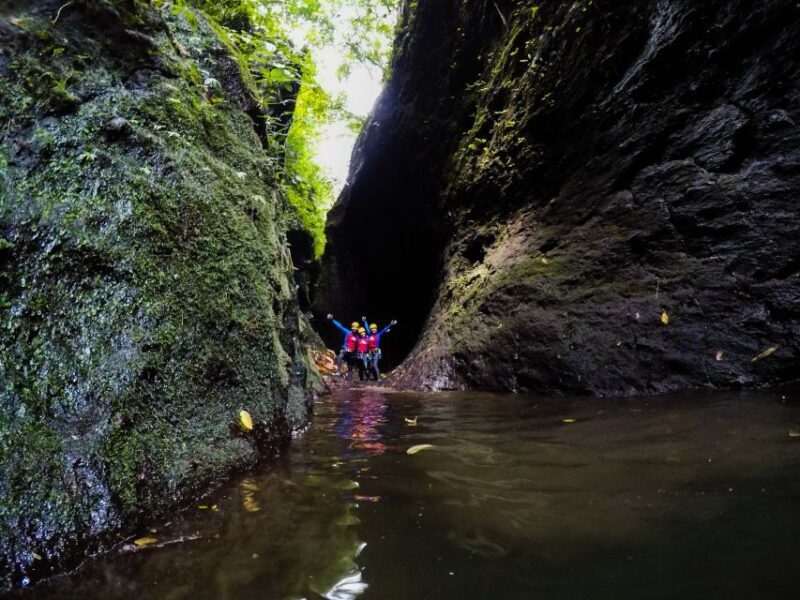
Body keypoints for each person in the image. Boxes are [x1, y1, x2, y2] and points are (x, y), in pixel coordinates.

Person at [362, 316, 397, 381]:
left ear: (376, 329)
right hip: (370, 352)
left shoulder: (378, 335)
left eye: (375, 328)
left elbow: (384, 330)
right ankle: (369, 378)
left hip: (376, 352)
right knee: (370, 365)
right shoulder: (369, 335)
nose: (374, 329)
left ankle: (378, 378)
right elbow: (367, 328)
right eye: (372, 329)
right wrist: (365, 321)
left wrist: (391, 324)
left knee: (375, 365)